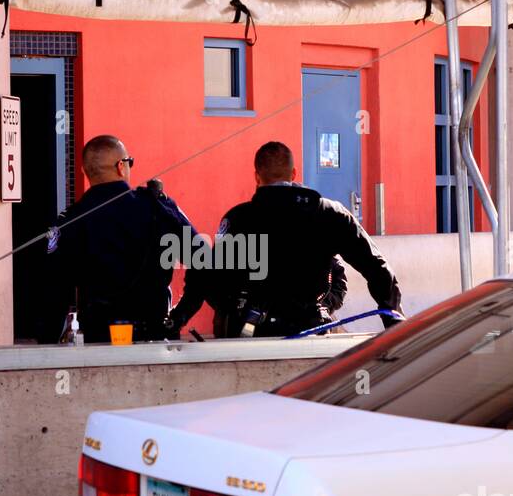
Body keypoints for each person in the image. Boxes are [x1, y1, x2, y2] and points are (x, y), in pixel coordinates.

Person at [194, 140, 402, 338]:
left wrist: (237, 313)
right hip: (311, 330)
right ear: (293, 173)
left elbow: (213, 283)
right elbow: (378, 270)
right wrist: (395, 324)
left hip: (251, 334)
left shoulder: (238, 219)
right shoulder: (331, 214)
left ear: (257, 177)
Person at [44, 135, 195, 343]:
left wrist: (47, 344)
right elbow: (204, 261)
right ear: (121, 166)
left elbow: (54, 290)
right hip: (155, 338)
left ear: (84, 172)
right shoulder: (157, 208)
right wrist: (180, 315)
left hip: (98, 340)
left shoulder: (71, 220)